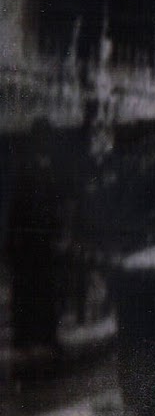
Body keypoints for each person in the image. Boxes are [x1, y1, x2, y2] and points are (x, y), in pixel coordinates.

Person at [4, 120, 69, 354]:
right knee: (28, 290)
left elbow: (52, 206)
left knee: (43, 289)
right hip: (29, 242)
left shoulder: (45, 167)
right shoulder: (29, 168)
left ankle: (45, 336)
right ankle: (26, 338)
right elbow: (20, 208)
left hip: (40, 242)